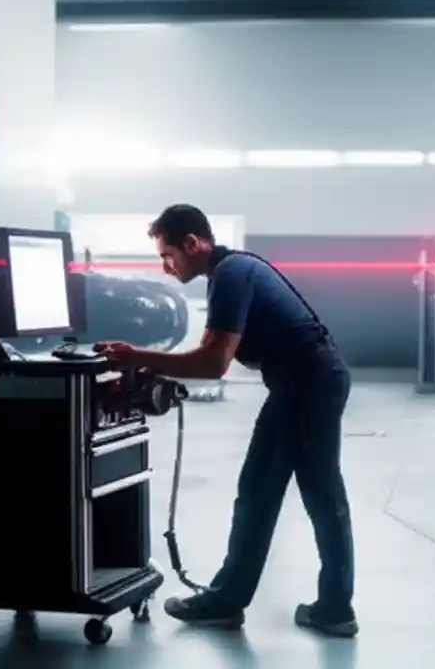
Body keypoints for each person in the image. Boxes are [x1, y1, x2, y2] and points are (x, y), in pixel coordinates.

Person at [95, 204, 357, 637]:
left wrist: (137, 355)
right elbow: (204, 353)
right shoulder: (230, 272)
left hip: (308, 384)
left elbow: (213, 364)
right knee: (260, 491)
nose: (165, 267)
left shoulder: (232, 275)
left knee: (319, 494)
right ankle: (234, 599)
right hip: (303, 382)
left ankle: (330, 608)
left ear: (192, 244)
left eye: (168, 256)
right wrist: (148, 367)